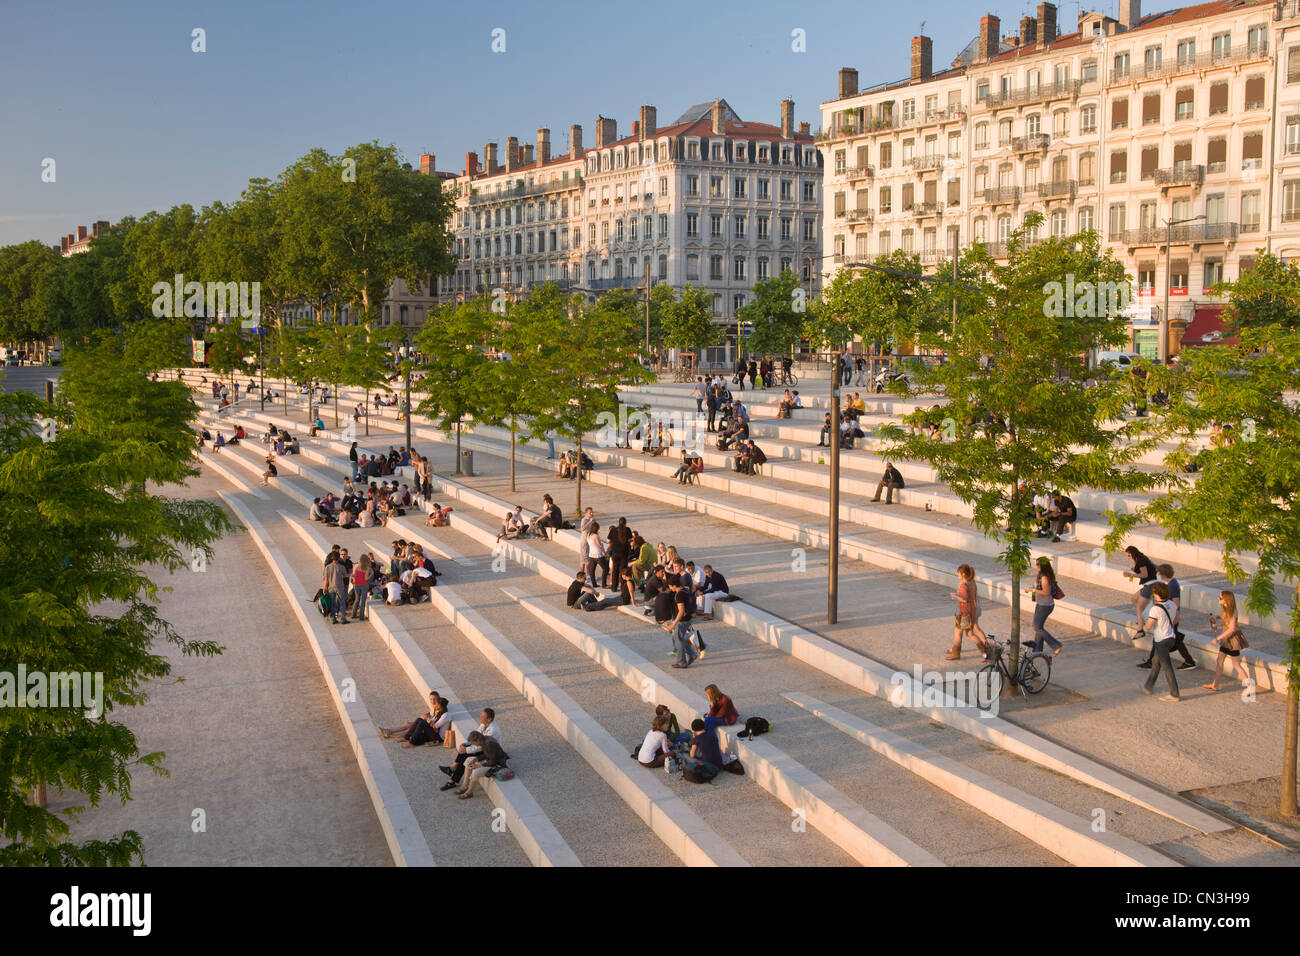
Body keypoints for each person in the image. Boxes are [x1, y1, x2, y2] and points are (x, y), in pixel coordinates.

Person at [1138, 564, 1197, 670]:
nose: (1158, 575)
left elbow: (1176, 602)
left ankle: (1152, 662)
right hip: (1170, 616)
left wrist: (1170, 614)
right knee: (1174, 639)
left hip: (1170, 617)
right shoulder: (1171, 583)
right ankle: (1188, 661)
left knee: (1166, 640)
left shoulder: (1172, 585)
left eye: (1159, 573)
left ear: (1163, 574)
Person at [1204, 591, 1253, 695]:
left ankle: (1249, 686)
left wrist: (1217, 638)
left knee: (1236, 664)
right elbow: (1225, 619)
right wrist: (1217, 618)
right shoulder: (1226, 609)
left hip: (1232, 640)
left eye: (1220, 598)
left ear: (1226, 600)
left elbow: (1232, 628)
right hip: (1226, 640)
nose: (1218, 599)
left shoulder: (1233, 611)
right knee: (1219, 661)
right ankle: (1215, 684)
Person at [440, 708, 501, 791]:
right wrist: (465, 744)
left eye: (482, 716)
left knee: (465, 754)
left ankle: (452, 775)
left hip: (489, 751)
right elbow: (475, 736)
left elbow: (481, 746)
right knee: (464, 750)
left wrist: (466, 750)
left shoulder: (493, 730)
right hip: (482, 746)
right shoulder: (484, 724)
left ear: (489, 719)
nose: (480, 717)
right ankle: (452, 774)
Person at [1142, 581, 1181, 702]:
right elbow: (1177, 618)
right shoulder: (1171, 604)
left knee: (1166, 666)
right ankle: (1148, 686)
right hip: (1171, 637)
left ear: (1157, 594)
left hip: (1161, 640)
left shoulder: (1155, 609)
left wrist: (1143, 625)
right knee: (1155, 662)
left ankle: (1174, 694)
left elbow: (1148, 626)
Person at [947, 564, 989, 660]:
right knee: (970, 634)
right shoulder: (972, 582)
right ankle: (984, 651)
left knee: (958, 632)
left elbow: (964, 599)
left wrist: (954, 596)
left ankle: (956, 653)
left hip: (965, 613)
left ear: (963, 574)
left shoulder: (963, 585)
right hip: (972, 611)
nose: (957, 575)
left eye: (958, 573)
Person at [1023, 556, 1062, 656]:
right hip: (1041, 604)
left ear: (1043, 566)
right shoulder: (1042, 575)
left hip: (1045, 605)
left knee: (1037, 627)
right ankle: (1037, 650)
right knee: (1039, 627)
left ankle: (1056, 645)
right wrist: (1032, 588)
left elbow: (1046, 592)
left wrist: (1033, 590)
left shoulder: (1045, 577)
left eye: (1038, 564)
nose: (1036, 566)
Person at [454, 730, 509, 799]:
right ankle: (465, 785)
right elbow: (487, 754)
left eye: (473, 743)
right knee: (469, 760)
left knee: (476, 772)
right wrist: (476, 759)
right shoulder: (485, 740)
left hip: (498, 765)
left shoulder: (489, 744)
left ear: (477, 740)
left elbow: (493, 761)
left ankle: (469, 792)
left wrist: (479, 765)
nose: (474, 745)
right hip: (491, 761)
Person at [1122, 546, 1159, 638]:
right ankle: (1141, 619)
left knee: (1139, 606)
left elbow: (1144, 574)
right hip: (1148, 584)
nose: (1129, 557)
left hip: (1150, 585)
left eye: (1129, 555)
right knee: (1134, 598)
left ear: (1133, 553)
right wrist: (1134, 570)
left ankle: (1140, 629)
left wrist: (1130, 574)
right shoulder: (1141, 559)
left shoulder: (1141, 560)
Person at [663, 576, 698, 669]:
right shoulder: (685, 589)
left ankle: (682, 662)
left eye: (670, 586)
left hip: (682, 621)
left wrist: (672, 625)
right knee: (680, 639)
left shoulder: (679, 595)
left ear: (674, 585)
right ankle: (692, 654)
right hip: (688, 618)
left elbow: (681, 611)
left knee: (678, 641)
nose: (670, 588)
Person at [324, 553, 350, 625]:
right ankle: (343, 619)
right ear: (338, 558)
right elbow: (345, 575)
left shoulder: (327, 567)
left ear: (332, 558)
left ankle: (333, 619)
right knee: (342, 603)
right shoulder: (341, 567)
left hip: (331, 587)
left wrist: (324, 588)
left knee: (332, 603)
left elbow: (326, 579)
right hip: (340, 587)